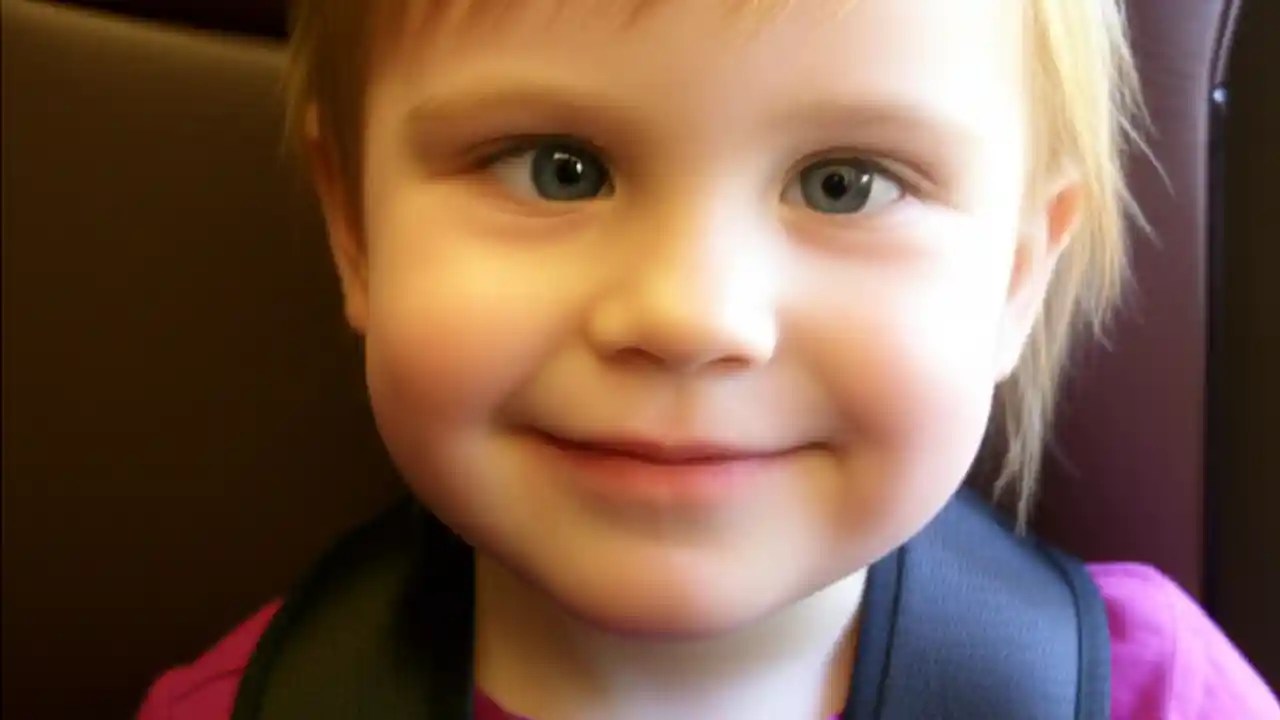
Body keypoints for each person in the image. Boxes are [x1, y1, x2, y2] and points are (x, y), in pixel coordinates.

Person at [139, 1, 1279, 718]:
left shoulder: (1156, 698)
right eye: (557, 169)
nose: (689, 316)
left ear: (1016, 277)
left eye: (844, 184)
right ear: (355, 231)